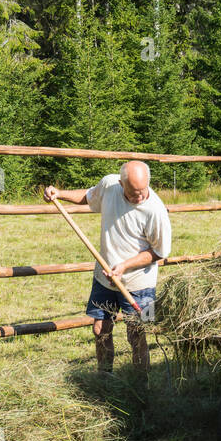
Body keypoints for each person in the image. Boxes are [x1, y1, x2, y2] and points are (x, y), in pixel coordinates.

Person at [44, 161, 171, 385]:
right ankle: (105, 379)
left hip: (139, 282)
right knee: (100, 329)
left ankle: (142, 386)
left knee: (137, 334)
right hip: (104, 278)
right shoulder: (110, 185)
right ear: (121, 183)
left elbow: (159, 252)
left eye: (143, 191)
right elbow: (89, 196)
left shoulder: (156, 210)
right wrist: (60, 193)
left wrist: (124, 266)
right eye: (133, 193)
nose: (140, 197)